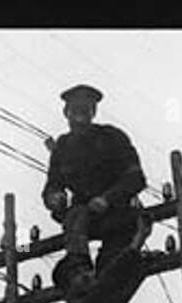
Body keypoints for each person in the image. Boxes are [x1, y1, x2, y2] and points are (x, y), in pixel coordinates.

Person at [42, 84, 147, 273]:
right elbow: (53, 183)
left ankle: (104, 279)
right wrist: (54, 197)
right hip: (82, 218)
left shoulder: (112, 137)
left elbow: (136, 177)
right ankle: (80, 270)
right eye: (75, 111)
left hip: (118, 214)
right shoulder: (63, 147)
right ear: (66, 113)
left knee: (112, 271)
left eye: (85, 111)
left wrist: (108, 198)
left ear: (93, 112)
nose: (79, 117)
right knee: (78, 267)